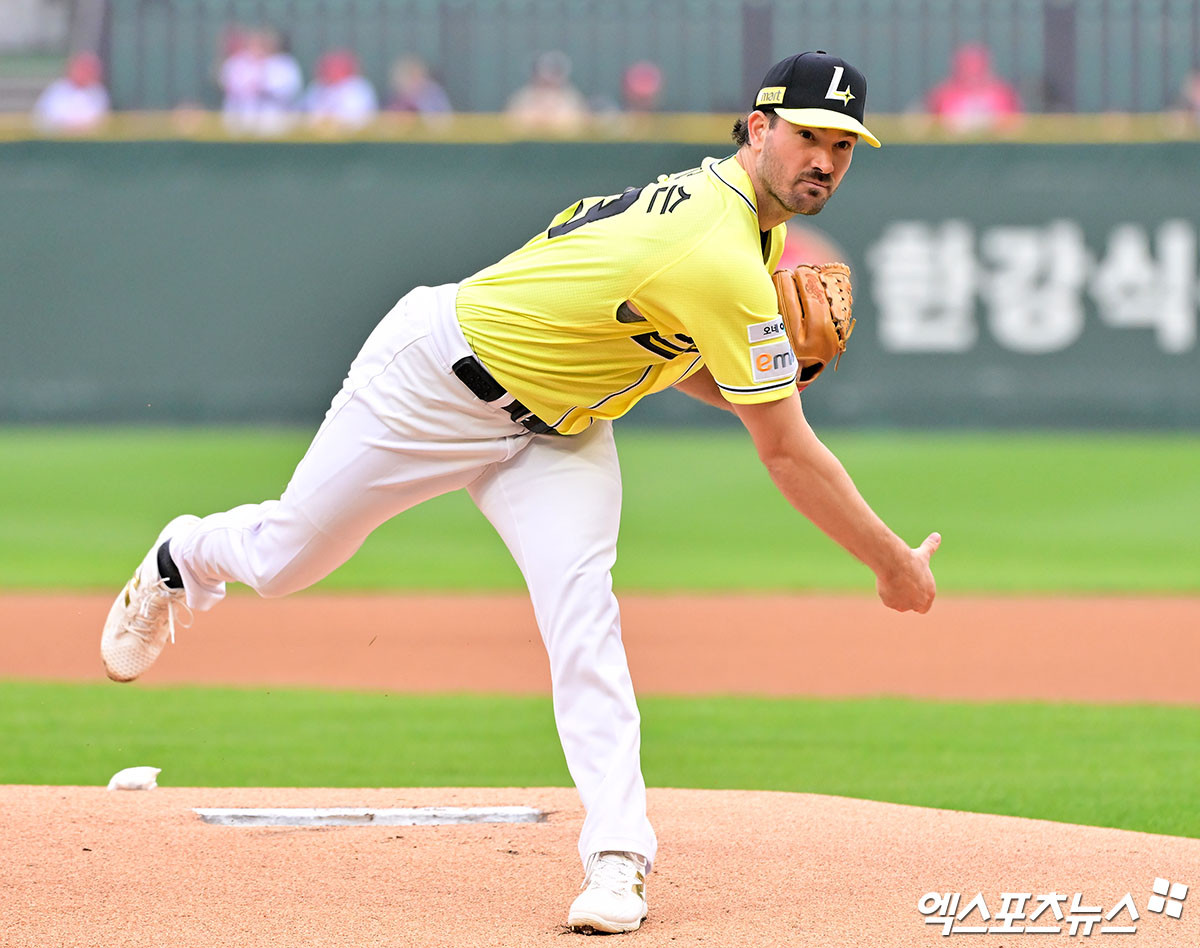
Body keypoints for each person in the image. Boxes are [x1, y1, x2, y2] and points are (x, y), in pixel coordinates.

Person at [100, 50, 939, 934]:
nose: (826, 160)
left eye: (844, 146)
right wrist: (892, 566)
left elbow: (664, 354)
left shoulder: (733, 220)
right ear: (760, 129)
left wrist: (751, 372)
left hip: (555, 431)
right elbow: (784, 450)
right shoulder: (717, 251)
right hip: (429, 382)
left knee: (586, 619)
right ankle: (179, 555)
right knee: (285, 559)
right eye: (810, 136)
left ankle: (619, 858)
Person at [218, 27, 303, 135]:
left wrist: (265, 88)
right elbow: (228, 85)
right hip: (240, 125)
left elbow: (290, 91)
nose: (258, 47)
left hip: (274, 125)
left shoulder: (284, 64)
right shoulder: (236, 63)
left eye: (263, 44)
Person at [924, 42, 1021, 134]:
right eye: (966, 67)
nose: (972, 74)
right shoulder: (943, 94)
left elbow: (1015, 127)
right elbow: (927, 126)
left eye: (977, 68)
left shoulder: (1003, 94)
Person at [504, 50, 589, 134]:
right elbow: (514, 125)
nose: (550, 79)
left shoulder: (571, 97)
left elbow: (577, 126)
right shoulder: (523, 97)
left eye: (556, 72)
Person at [31, 51, 110, 135]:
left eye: (89, 70)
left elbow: (99, 121)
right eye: (82, 69)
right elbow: (43, 118)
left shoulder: (98, 93)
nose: (84, 73)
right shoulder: (57, 89)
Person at [302, 49, 379, 133]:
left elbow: (355, 119)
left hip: (354, 137)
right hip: (318, 136)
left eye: (336, 67)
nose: (331, 71)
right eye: (328, 67)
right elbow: (307, 114)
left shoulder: (358, 86)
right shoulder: (316, 87)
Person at [385, 55, 452, 119]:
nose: (415, 80)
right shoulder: (397, 100)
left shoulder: (433, 93)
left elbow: (446, 120)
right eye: (410, 76)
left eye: (417, 75)